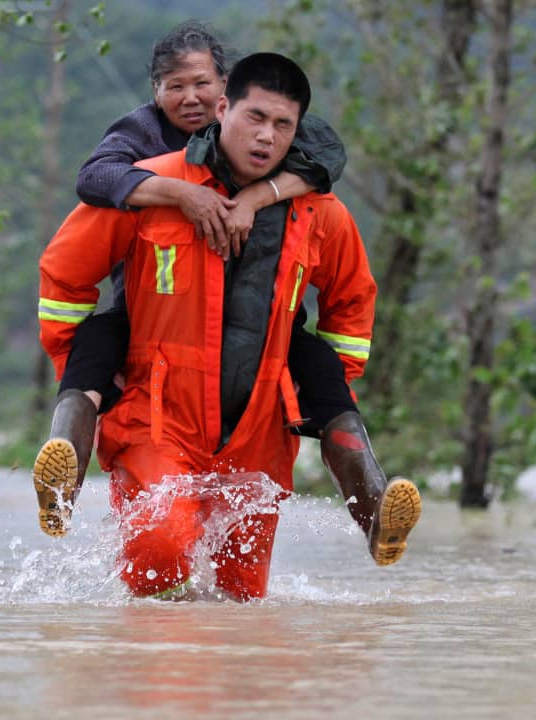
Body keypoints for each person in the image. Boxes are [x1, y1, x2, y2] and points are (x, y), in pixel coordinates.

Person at [37, 53, 420, 601]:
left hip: (260, 430)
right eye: (254, 118)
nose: (265, 137)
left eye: (281, 125)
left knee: (243, 603)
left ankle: (374, 508)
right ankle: (63, 474)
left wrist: (314, 383)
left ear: (297, 131)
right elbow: (64, 272)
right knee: (160, 556)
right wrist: (87, 366)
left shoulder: (318, 210)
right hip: (158, 415)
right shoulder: (154, 185)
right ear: (223, 109)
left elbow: (354, 297)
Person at [33, 22, 355, 536]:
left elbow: (329, 159)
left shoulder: (267, 129)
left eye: (202, 83)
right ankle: (62, 473)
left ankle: (372, 500)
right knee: (97, 342)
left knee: (319, 365)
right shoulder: (142, 133)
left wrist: (257, 195)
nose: (189, 97)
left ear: (224, 91)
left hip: (258, 325)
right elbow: (93, 178)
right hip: (152, 309)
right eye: (173, 86)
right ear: (155, 92)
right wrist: (181, 192)